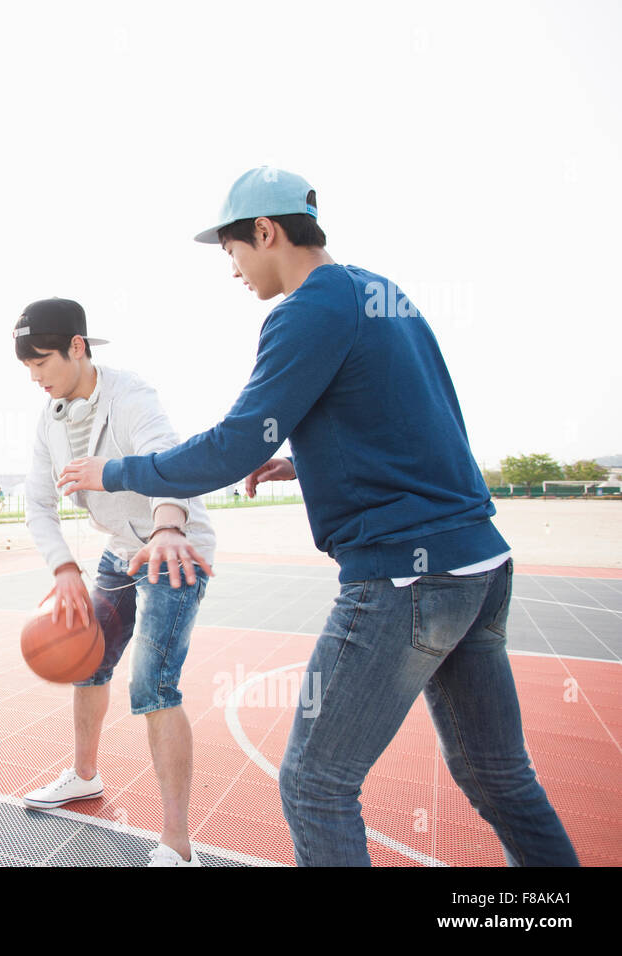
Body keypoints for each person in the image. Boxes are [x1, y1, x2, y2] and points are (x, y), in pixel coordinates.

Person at [57, 168, 578, 866]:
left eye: (233, 252)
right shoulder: (380, 292)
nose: (234, 270)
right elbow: (411, 420)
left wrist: (111, 471)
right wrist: (305, 464)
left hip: (405, 577)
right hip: (479, 565)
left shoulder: (305, 309)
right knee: (498, 776)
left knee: (313, 784)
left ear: (266, 232)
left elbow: (232, 444)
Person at [15, 297, 217, 867]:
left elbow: (167, 462)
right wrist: (63, 569)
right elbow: (37, 503)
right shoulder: (49, 418)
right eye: (27, 369)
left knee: (152, 687)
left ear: (77, 347)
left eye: (43, 363)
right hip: (120, 550)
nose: (36, 378)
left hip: (172, 547)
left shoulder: (131, 396)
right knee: (88, 659)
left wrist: (168, 526)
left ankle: (177, 845)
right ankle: (83, 776)